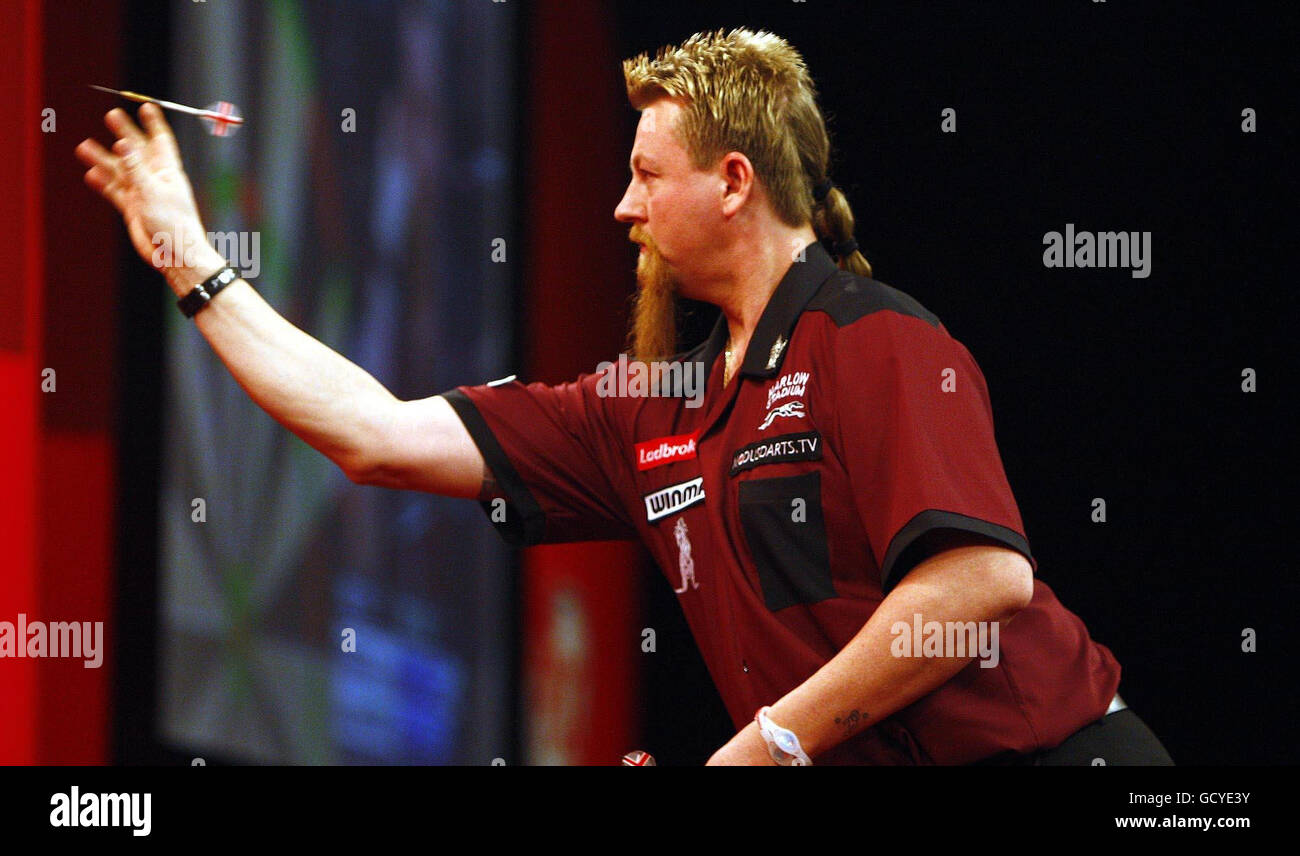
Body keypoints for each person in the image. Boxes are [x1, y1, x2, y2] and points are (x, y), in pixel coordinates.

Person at [77, 28, 1172, 766]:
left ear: (734, 182)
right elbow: (378, 436)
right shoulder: (653, 410)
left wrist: (765, 746)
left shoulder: (873, 339)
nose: (619, 206)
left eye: (648, 174)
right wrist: (191, 261)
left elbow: (980, 577)